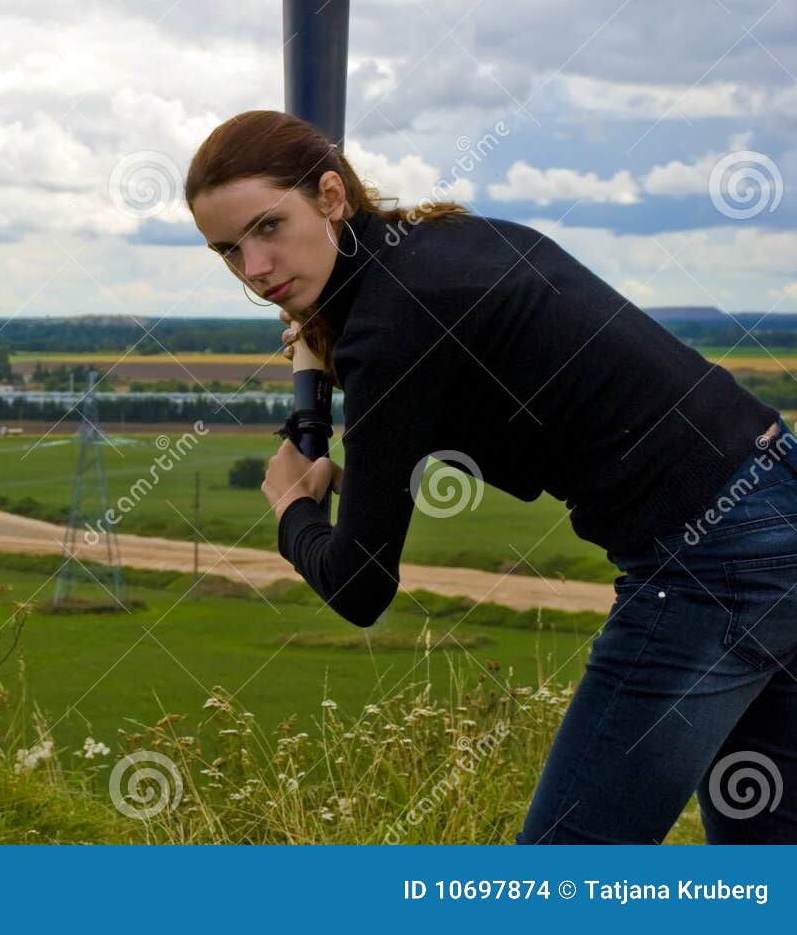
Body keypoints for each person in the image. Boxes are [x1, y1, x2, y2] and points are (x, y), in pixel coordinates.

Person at [185, 109, 797, 844]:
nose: (254, 269)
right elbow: (459, 406)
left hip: (711, 564)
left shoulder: (392, 322)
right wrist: (340, 342)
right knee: (767, 847)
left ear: (331, 196)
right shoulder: (444, 247)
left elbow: (359, 587)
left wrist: (293, 511)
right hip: (776, 500)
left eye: (269, 228)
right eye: (229, 250)